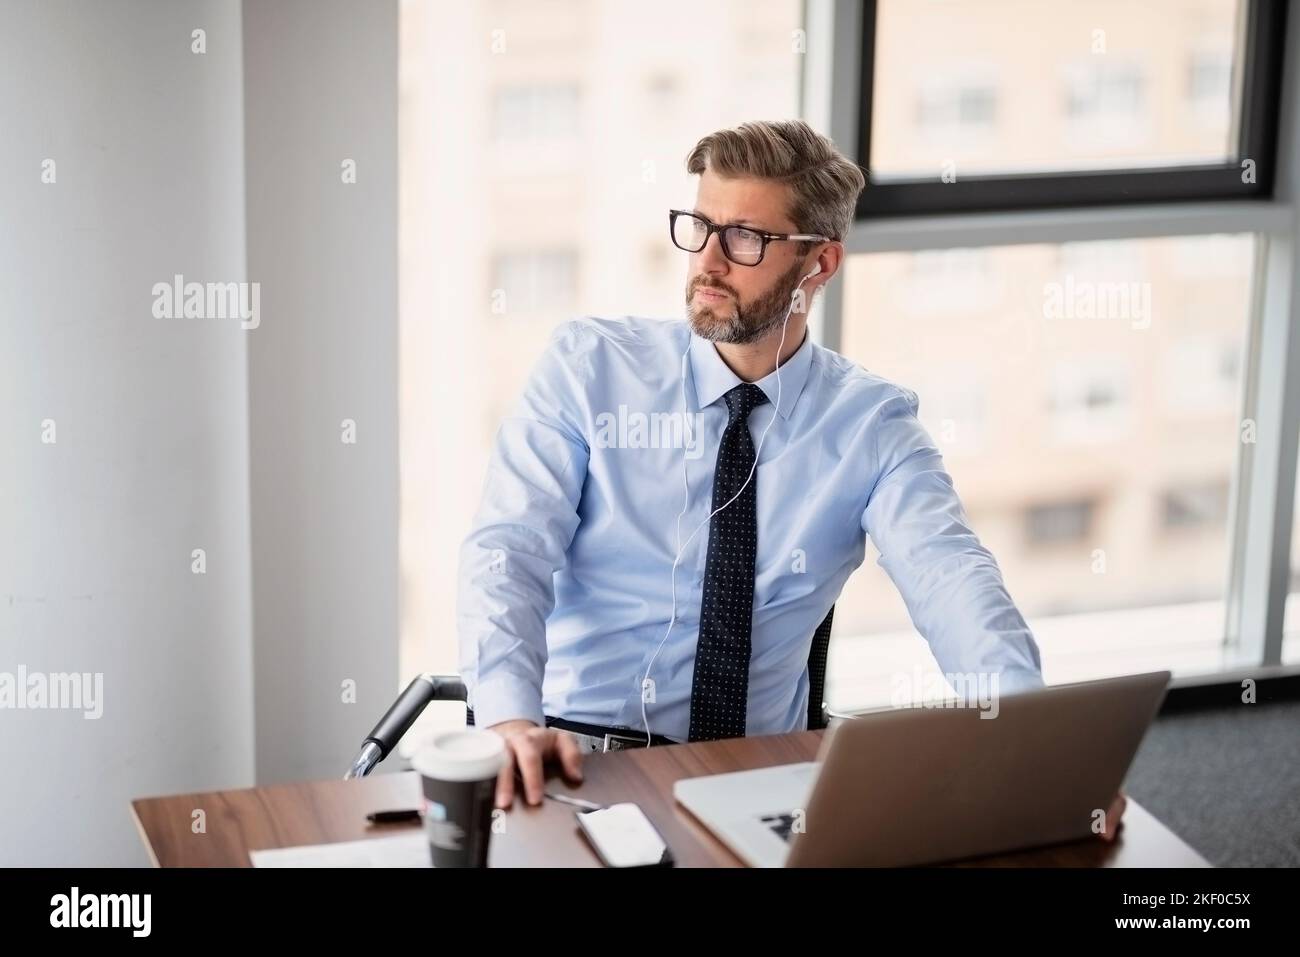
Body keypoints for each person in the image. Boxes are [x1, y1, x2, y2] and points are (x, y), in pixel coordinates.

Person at [456, 118, 1126, 841]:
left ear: (820, 264)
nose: (708, 260)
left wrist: (1034, 749)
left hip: (756, 777)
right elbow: (508, 553)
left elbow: (954, 580)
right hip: (570, 760)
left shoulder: (870, 424)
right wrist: (507, 720)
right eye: (699, 226)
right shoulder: (589, 368)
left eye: (746, 238)